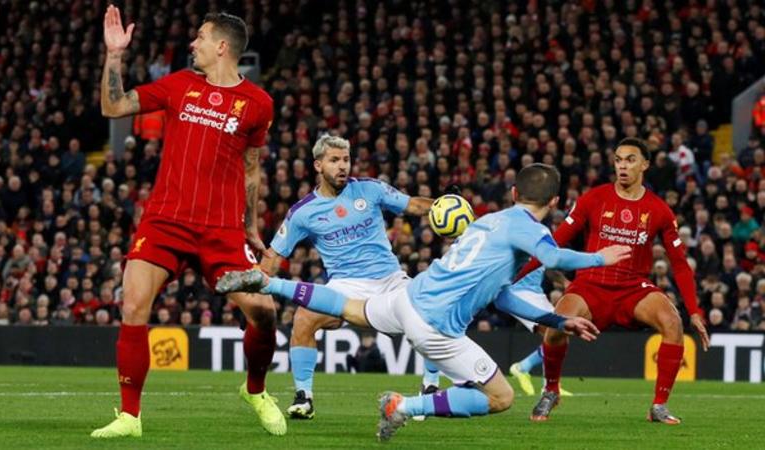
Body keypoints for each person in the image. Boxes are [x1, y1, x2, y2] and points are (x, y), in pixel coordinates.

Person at [217, 164, 631, 442]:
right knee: (500, 397)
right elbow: (555, 258)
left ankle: (270, 284)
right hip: (435, 326)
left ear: (512, 191)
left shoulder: (489, 221)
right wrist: (600, 257)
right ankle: (403, 405)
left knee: (348, 307)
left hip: (406, 298)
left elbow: (503, 295)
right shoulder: (526, 229)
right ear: (555, 203)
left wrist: (555, 319)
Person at [91, 6, 285, 438]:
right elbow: (114, 106)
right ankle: (129, 416)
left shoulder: (258, 104)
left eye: (199, 37)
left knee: (264, 313)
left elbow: (251, 168)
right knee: (133, 303)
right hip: (166, 221)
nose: (191, 43)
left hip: (222, 231)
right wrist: (114, 55)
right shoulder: (178, 86)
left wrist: (251, 227)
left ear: (221, 46)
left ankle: (255, 390)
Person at [516, 138, 710, 425]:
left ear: (644, 164)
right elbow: (554, 243)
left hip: (632, 287)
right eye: (618, 159)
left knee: (672, 322)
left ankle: (659, 405)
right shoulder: (593, 199)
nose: (622, 165)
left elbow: (679, 264)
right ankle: (551, 390)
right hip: (591, 285)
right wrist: (517, 275)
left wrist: (694, 310)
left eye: (630, 159)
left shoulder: (659, 210)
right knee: (556, 326)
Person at [259, 134, 439, 419]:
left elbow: (414, 205)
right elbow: (273, 256)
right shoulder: (303, 213)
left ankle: (430, 387)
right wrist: (251, 291)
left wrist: (446, 204)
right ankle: (304, 398)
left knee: (429, 314)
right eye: (334, 161)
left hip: (389, 279)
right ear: (318, 165)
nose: (342, 166)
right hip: (346, 285)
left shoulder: (370, 190)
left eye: (346, 159)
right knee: (304, 319)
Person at [505, 267, 574, 397]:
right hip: (518, 293)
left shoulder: (543, 248)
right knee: (556, 332)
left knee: (559, 335)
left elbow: (549, 267)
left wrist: (565, 283)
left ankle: (523, 368)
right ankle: (549, 386)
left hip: (536, 293)